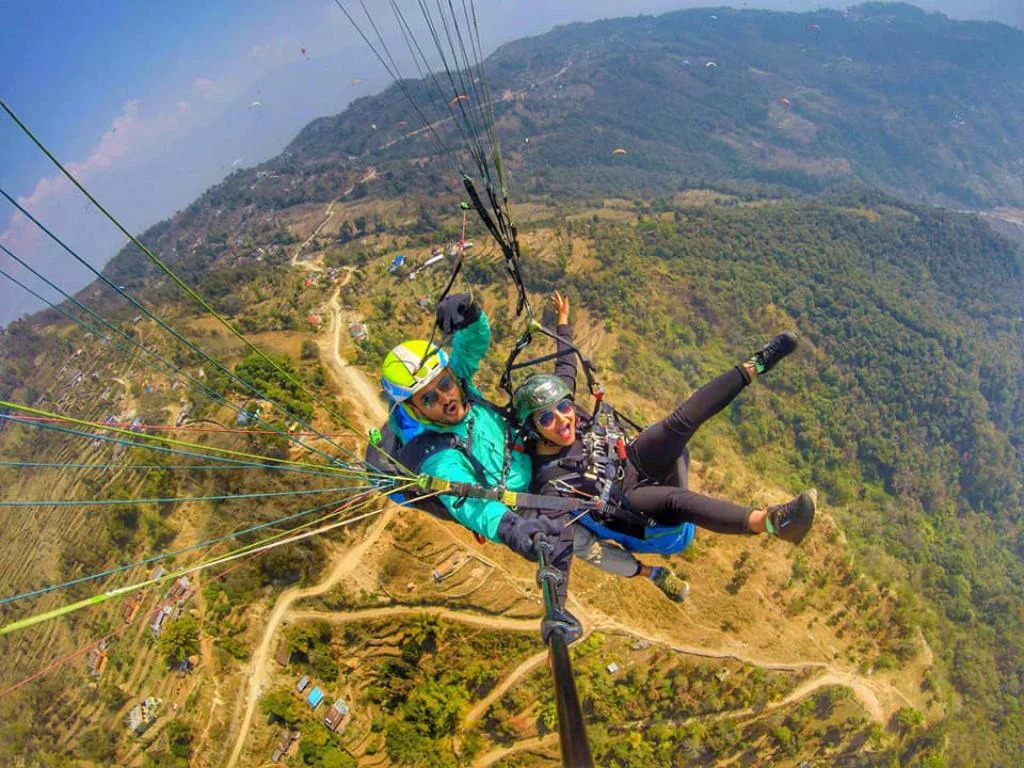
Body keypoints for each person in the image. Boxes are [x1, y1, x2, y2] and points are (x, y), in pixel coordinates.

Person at [512, 291, 816, 602]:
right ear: (533, 430)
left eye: (563, 405)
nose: (563, 419)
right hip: (629, 507)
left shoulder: (569, 413)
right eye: (547, 418)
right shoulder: (548, 483)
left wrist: (562, 322)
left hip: (629, 460)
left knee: (680, 423)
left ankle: (757, 364)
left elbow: (566, 366)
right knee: (676, 500)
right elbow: (580, 547)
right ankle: (774, 522)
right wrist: (646, 573)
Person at [377, 292, 563, 562]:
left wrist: (471, 313)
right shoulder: (436, 455)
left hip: (530, 456)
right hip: (521, 503)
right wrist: (513, 530)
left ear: (451, 375)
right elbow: (469, 501)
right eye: (428, 398)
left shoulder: (460, 381)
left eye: (444, 385)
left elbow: (472, 343)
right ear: (414, 410)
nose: (445, 398)